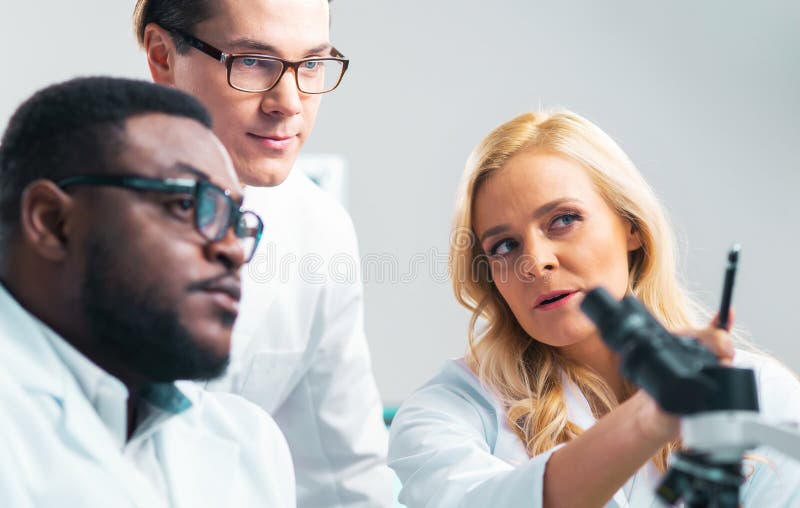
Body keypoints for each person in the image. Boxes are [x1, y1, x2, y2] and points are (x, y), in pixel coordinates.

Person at [387, 110, 800, 507]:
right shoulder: (446, 413)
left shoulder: (765, 396)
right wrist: (650, 416)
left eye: (563, 220)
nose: (536, 261)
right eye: (505, 246)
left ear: (631, 226)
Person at [132, 1, 392, 506]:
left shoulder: (320, 231)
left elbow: (341, 473)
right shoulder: (62, 213)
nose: (289, 103)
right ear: (163, 56)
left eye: (311, 64)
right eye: (253, 62)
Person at [0, 76, 295, 507]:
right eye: (186, 204)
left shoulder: (248, 442)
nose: (231, 249)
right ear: (52, 221)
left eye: (233, 219)